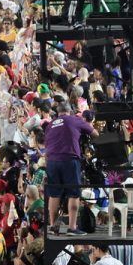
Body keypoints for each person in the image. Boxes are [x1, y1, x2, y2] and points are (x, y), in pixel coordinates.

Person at [44, 99, 94, 235]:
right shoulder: (73, 120)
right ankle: (72, 227)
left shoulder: (50, 125)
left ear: (58, 112)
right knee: (74, 193)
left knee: (54, 194)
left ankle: (53, 226)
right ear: (70, 111)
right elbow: (94, 133)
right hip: (69, 160)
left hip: (52, 162)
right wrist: (88, 124)